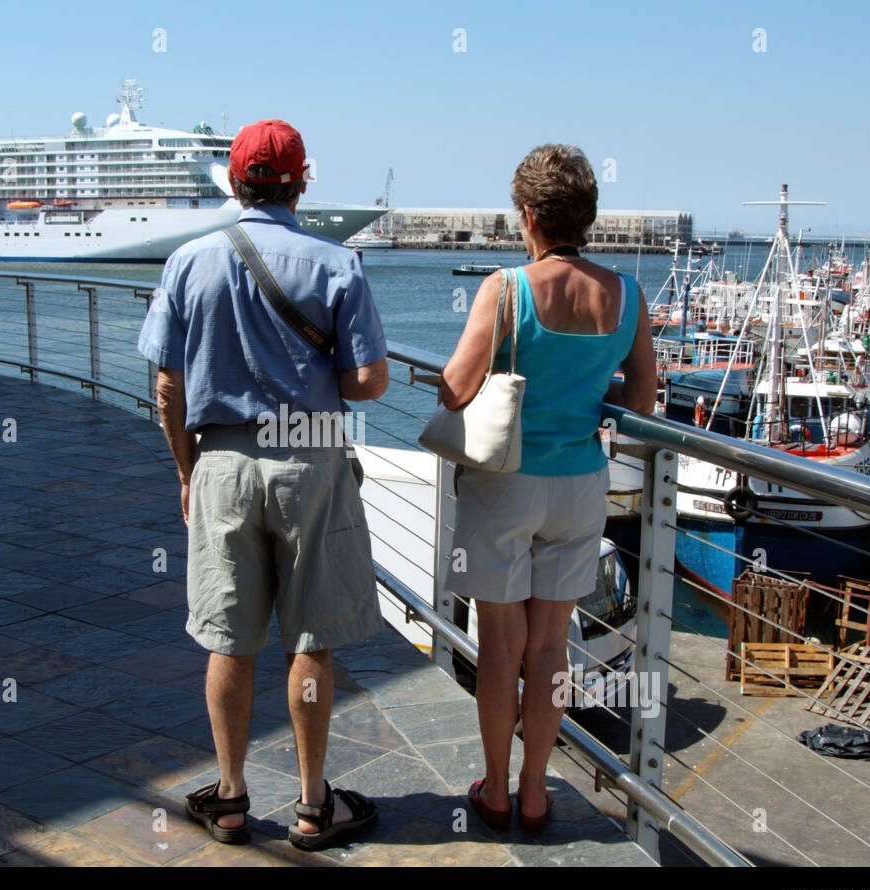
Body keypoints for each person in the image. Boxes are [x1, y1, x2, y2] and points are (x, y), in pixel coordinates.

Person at [137, 119, 390, 851]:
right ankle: (314, 807)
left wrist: (189, 473)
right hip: (309, 455)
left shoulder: (188, 261)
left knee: (229, 640)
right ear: (302, 182)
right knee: (310, 640)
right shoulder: (338, 264)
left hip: (220, 460)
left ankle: (231, 800)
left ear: (233, 182)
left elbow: (166, 387)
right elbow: (369, 379)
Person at [439, 144, 655, 832]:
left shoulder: (506, 288)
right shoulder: (626, 294)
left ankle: (496, 790)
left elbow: (456, 386)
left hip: (507, 483)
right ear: (587, 216)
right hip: (581, 486)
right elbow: (644, 398)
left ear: (527, 215)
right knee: (552, 647)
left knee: (502, 647)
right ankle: (537, 791)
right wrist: (588, 382)